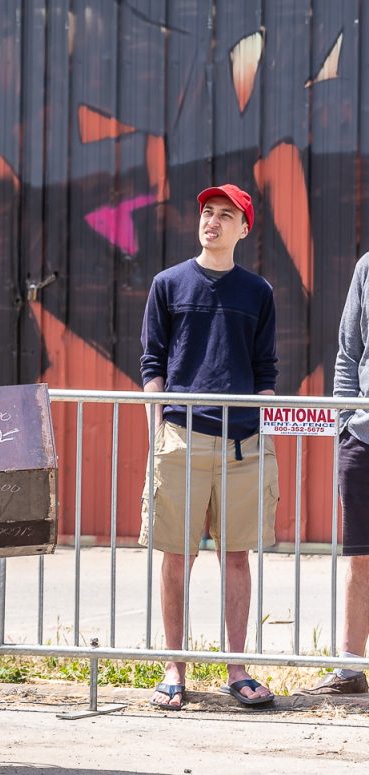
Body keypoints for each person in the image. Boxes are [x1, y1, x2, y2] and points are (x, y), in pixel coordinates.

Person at [138, 184, 279, 712]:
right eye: (206, 212)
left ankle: (236, 670)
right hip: (181, 436)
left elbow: (266, 372)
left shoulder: (258, 291)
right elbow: (152, 363)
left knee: (236, 557)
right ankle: (174, 667)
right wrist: (158, 427)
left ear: (244, 228)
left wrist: (263, 425)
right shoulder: (167, 284)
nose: (212, 221)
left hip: (243, 442)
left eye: (225, 215)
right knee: (177, 557)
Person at [307, 249, 369, 695]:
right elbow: (349, 353)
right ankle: (349, 670)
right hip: (363, 437)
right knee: (360, 556)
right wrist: (345, 423)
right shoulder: (367, 266)